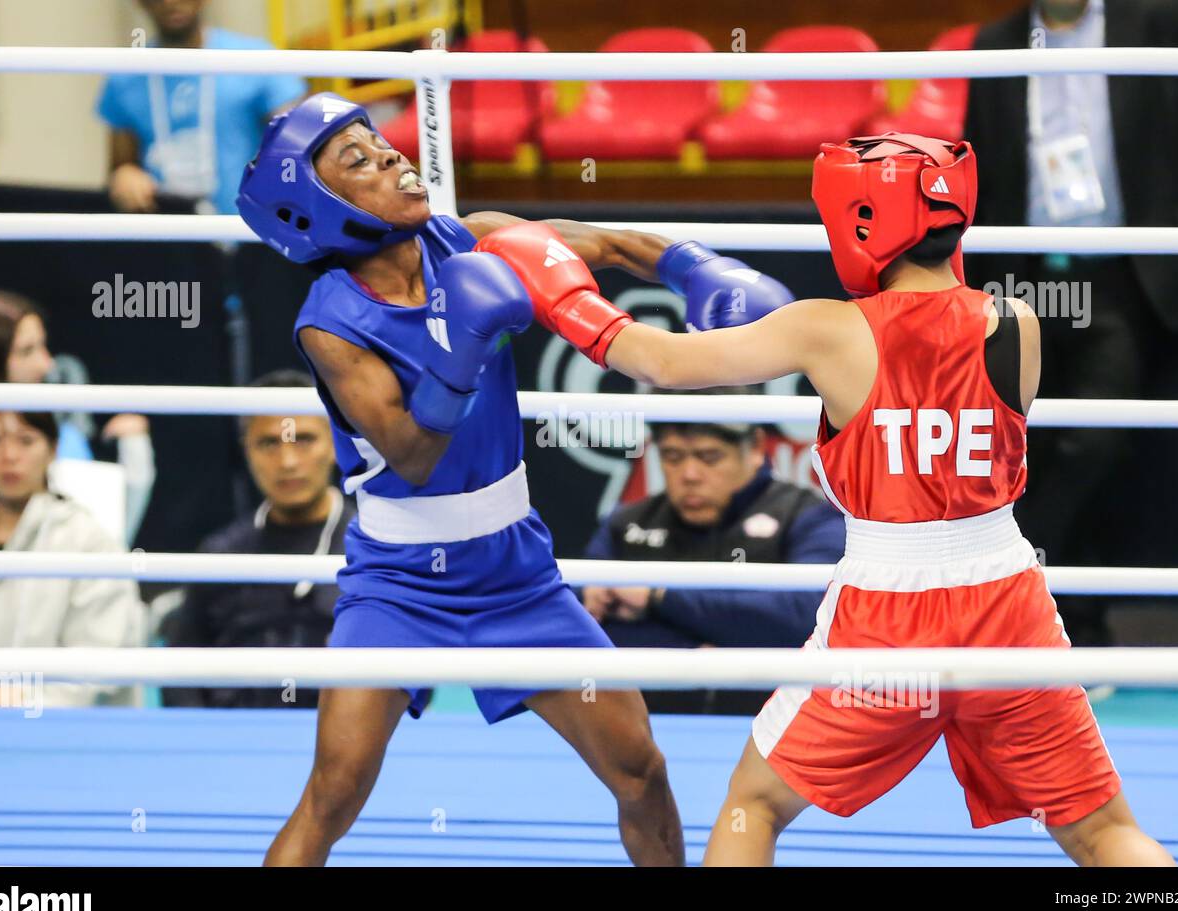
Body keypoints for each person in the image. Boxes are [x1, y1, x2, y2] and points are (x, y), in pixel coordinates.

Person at [476, 133, 1174, 866]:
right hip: (1008, 600)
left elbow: (657, 361)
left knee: (755, 806)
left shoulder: (829, 329)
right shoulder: (1019, 324)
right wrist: (665, 256)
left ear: (861, 220)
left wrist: (555, 287)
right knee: (1103, 834)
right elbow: (943, 359)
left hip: (890, 611)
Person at [236, 92, 797, 866]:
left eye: (380, 143)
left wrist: (691, 268)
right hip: (399, 586)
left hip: (516, 576)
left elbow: (606, 245)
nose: (392, 157)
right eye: (357, 161)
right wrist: (461, 346)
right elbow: (411, 452)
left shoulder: (475, 240)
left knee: (640, 771)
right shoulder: (330, 323)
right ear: (319, 208)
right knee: (333, 796)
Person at [965, 0, 1178, 647]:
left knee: (1094, 443)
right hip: (1024, 279)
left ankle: (1015, 593)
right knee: (1017, 450)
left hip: (1116, 278)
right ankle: (1064, 626)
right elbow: (980, 166)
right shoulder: (996, 41)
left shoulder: (1156, 26)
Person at [583, 386, 845, 715]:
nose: (689, 475)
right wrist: (696, 656)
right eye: (672, 457)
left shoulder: (808, 518)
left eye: (709, 457)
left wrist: (657, 599)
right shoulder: (627, 522)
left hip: (768, 725)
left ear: (755, 449)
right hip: (652, 724)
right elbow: (588, 626)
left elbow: (804, 619)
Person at [163, 369, 355, 709]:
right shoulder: (219, 556)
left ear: (335, 443)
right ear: (246, 451)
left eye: (305, 439)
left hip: (350, 750)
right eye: (269, 443)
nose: (288, 461)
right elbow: (179, 681)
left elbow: (413, 683)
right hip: (233, 748)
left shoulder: (374, 548)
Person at [0, 410, 141, 708]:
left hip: (55, 730)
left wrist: (15, 704)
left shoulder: (89, 543)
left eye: (26, 440)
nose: (9, 455)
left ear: (53, 448)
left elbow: (94, 667)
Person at [0, 290, 154, 542]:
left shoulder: (59, 441)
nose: (47, 364)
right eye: (27, 350)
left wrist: (136, 453)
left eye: (25, 441)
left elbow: (107, 535)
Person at [98, 0, 305, 215]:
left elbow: (295, 140)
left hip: (247, 230)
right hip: (164, 235)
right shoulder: (125, 76)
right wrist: (124, 176)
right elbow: (120, 165)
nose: (171, 2)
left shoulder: (253, 58)